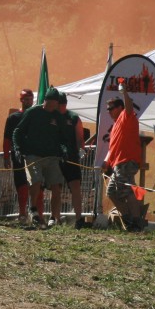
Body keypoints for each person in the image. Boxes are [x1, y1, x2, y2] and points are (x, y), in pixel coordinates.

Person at [13, 87, 66, 227]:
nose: (56, 105)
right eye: (54, 102)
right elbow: (17, 131)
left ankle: (54, 218)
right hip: (33, 155)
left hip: (52, 157)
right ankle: (32, 208)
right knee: (36, 180)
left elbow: (63, 137)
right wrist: (18, 148)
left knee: (56, 186)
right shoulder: (32, 112)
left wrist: (64, 150)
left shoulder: (58, 116)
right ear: (47, 101)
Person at [103, 83, 148, 231]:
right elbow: (114, 147)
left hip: (127, 161)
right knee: (111, 192)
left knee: (127, 191)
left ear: (120, 108)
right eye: (108, 109)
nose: (109, 111)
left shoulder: (126, 116)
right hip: (118, 164)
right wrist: (107, 162)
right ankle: (129, 219)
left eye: (111, 108)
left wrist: (125, 93)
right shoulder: (116, 124)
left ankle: (135, 221)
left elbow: (128, 106)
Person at [3, 88, 35, 223]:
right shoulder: (13, 118)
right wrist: (5, 156)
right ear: (21, 100)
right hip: (18, 155)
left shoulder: (37, 116)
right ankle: (22, 213)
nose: (27, 101)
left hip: (35, 154)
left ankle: (36, 213)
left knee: (36, 183)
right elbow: (7, 139)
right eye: (25, 99)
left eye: (29, 98)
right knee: (21, 183)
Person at [57, 92, 87, 228]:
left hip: (71, 158)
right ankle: (55, 216)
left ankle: (79, 218)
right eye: (59, 104)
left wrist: (81, 149)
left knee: (75, 187)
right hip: (55, 157)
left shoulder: (73, 117)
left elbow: (80, 137)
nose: (61, 107)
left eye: (63, 104)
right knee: (55, 187)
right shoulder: (51, 116)